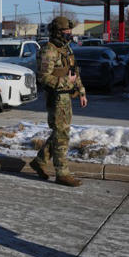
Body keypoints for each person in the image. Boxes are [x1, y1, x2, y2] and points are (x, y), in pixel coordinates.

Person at [30, 16, 88, 187]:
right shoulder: (48, 50)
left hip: (67, 96)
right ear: (57, 32)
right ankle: (62, 173)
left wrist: (81, 91)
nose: (69, 34)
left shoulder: (66, 49)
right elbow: (43, 77)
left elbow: (73, 71)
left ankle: (40, 161)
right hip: (56, 97)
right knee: (62, 134)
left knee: (59, 132)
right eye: (66, 32)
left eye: (70, 31)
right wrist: (65, 83)